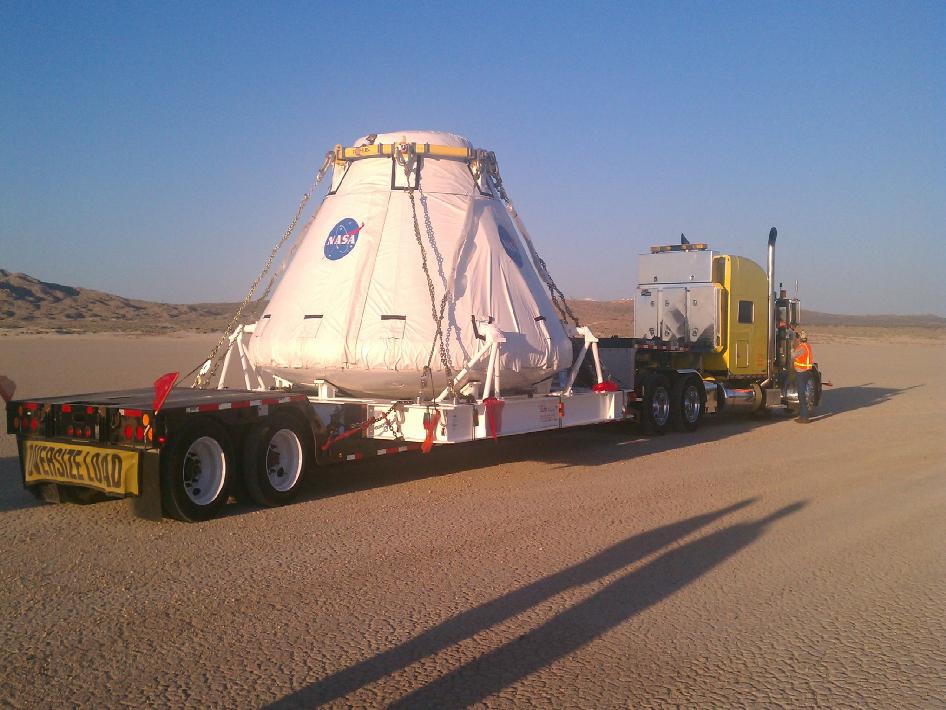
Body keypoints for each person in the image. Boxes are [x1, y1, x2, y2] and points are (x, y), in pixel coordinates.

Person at [791, 330, 814, 423]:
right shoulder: (807, 346)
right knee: (802, 395)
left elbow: (793, 356)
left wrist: (792, 348)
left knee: (801, 395)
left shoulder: (801, 348)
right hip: (806, 372)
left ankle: (804, 417)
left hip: (801, 372)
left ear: (800, 339)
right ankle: (803, 415)